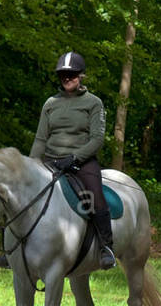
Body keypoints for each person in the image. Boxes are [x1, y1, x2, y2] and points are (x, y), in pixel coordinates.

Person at [26, 51, 116, 269]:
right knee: (21, 196)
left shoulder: (93, 103)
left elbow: (97, 139)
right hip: (51, 161)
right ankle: (13, 252)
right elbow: (40, 139)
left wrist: (74, 158)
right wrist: (29, 166)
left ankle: (106, 247)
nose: (68, 78)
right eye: (63, 75)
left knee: (95, 196)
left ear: (81, 76)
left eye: (72, 74)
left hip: (82, 162)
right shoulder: (50, 103)